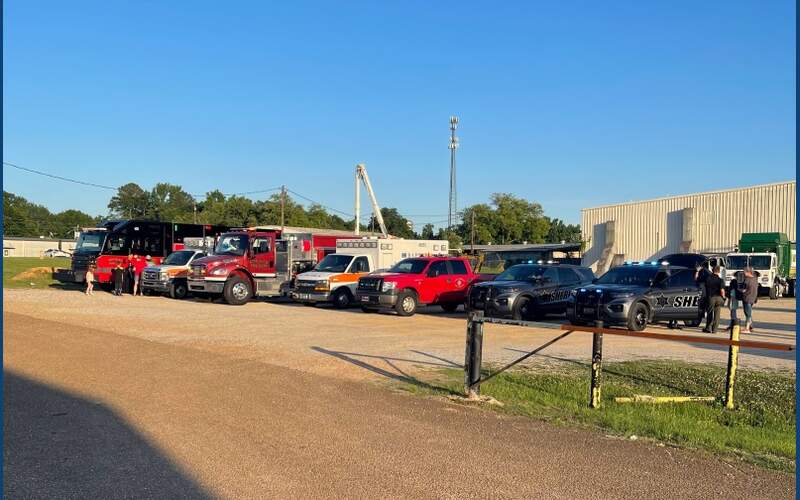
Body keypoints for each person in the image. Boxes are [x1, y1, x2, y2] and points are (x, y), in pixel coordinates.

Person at [702, 265, 725, 333]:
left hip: (711, 297)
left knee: (710, 313)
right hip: (719, 298)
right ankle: (715, 329)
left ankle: (708, 328)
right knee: (717, 314)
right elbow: (722, 290)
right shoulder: (720, 280)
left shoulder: (707, 278)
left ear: (712, 270)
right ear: (719, 271)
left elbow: (697, 279)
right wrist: (723, 297)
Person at [742, 267, 759, 333]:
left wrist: (741, 291)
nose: (744, 273)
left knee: (748, 314)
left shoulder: (747, 280)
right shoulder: (755, 279)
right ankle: (751, 326)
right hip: (752, 298)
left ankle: (747, 328)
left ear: (748, 272)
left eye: (744, 272)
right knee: (748, 313)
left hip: (747, 298)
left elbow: (744, 289)